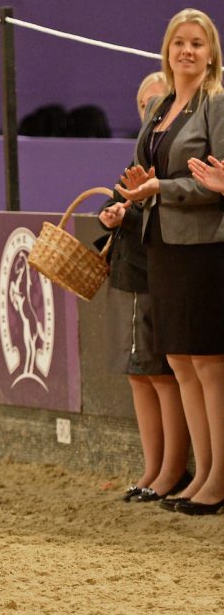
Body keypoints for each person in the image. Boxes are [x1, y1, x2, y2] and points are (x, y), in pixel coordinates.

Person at [117, 9, 224, 515]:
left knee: (207, 363)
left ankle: (218, 478)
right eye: (179, 42)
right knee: (180, 362)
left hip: (204, 246)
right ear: (166, 49)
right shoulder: (161, 105)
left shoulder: (216, 102)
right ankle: (200, 474)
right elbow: (155, 175)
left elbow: (216, 181)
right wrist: (136, 194)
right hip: (161, 243)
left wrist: (164, 186)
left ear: (211, 53)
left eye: (197, 44)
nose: (187, 51)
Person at [99, 72, 190, 503]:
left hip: (155, 279)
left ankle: (172, 469)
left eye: (158, 105)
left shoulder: (176, 162)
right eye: (144, 107)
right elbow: (114, 200)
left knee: (162, 375)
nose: (150, 114)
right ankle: (153, 468)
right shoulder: (137, 158)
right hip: (130, 277)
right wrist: (112, 214)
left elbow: (163, 216)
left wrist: (128, 213)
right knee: (141, 377)